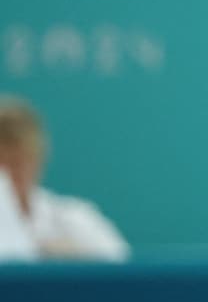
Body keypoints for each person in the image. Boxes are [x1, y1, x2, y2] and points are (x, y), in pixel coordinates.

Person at [0, 97, 128, 261]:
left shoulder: (72, 218)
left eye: (16, 162)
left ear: (38, 159)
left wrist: (77, 255)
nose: (6, 175)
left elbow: (123, 269)